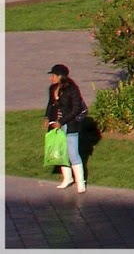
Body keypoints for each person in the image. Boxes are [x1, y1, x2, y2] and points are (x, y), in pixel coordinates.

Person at [45, 64, 88, 192]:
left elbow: (76, 109)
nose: (51, 78)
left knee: (73, 153)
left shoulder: (72, 89)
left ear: (60, 76)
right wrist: (47, 117)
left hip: (70, 126)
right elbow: (50, 105)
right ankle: (67, 178)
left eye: (53, 76)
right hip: (56, 126)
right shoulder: (52, 88)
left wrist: (62, 121)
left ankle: (80, 181)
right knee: (61, 153)